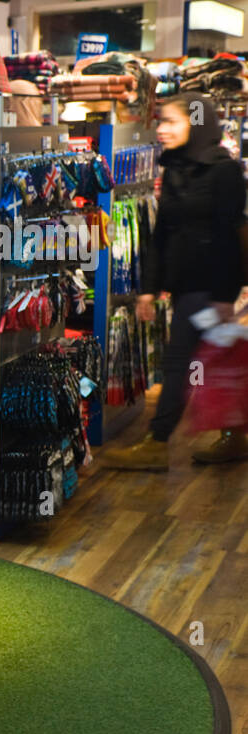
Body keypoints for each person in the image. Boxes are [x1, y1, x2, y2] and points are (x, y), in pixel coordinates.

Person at [100, 92, 248, 471]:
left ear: (196, 125)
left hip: (210, 287)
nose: (161, 130)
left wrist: (224, 296)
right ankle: (234, 436)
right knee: (214, 362)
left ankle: (158, 441)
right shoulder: (175, 168)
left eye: (171, 122)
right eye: (161, 121)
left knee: (180, 361)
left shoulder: (224, 171)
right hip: (185, 287)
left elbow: (236, 235)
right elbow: (161, 234)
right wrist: (148, 288)